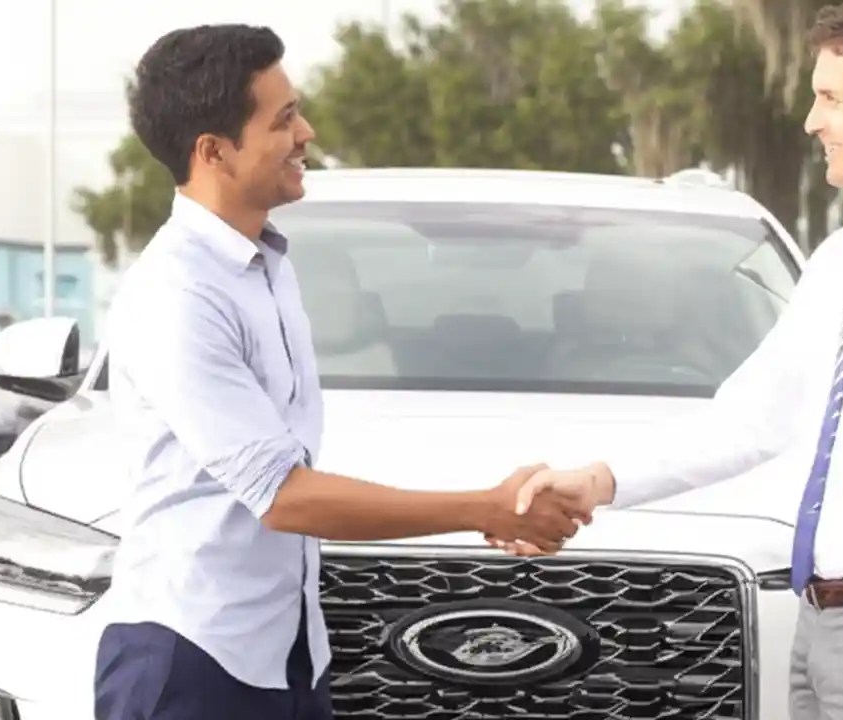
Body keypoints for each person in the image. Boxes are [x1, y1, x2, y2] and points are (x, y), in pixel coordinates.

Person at [498, 1, 843, 719]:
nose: (811, 121)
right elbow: (752, 417)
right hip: (822, 631)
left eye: (831, 98)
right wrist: (602, 480)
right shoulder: (842, 258)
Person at [95, 25, 584, 720]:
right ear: (213, 151)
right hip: (193, 660)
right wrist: (485, 507)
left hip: (288, 651)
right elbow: (282, 497)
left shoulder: (266, 263)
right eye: (284, 119)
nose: (307, 133)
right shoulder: (177, 295)